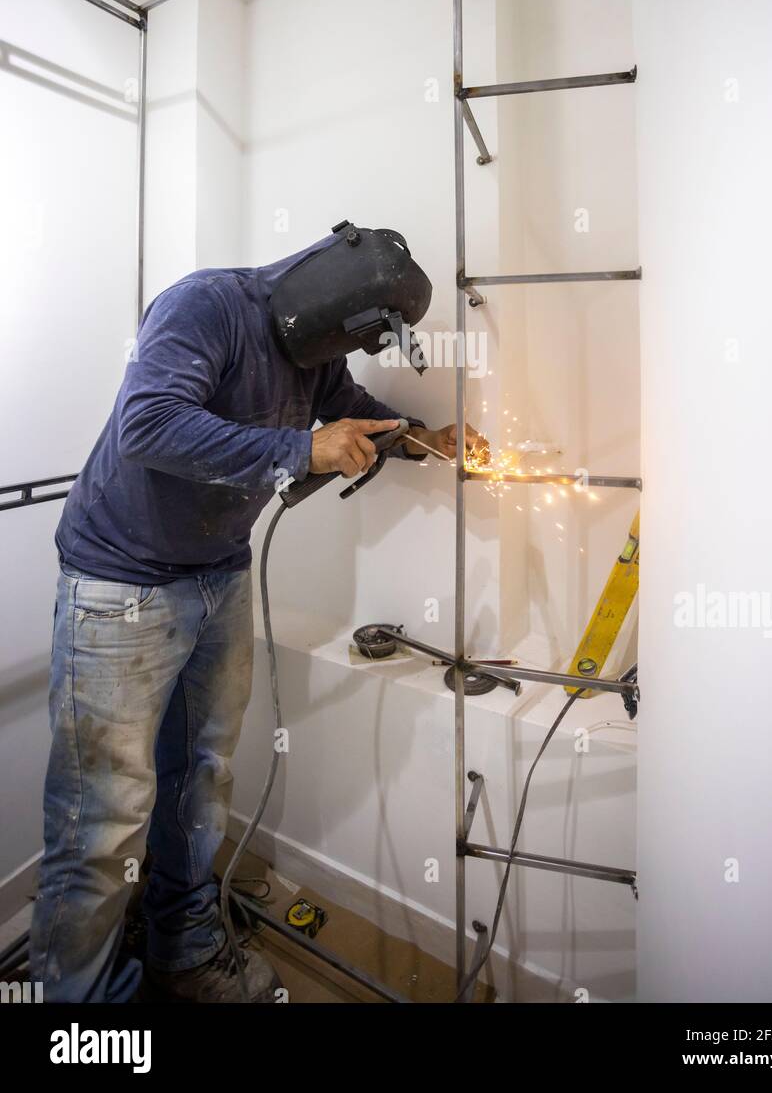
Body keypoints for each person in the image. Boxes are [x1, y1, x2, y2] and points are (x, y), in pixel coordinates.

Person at [29, 223, 480, 1003]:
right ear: (328, 296)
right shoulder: (205, 306)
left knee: (200, 778)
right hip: (120, 586)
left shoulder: (317, 347)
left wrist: (419, 439)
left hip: (217, 577)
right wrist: (303, 451)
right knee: (103, 817)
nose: (341, 356)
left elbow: (346, 406)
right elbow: (149, 423)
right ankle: (81, 1012)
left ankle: (183, 945)